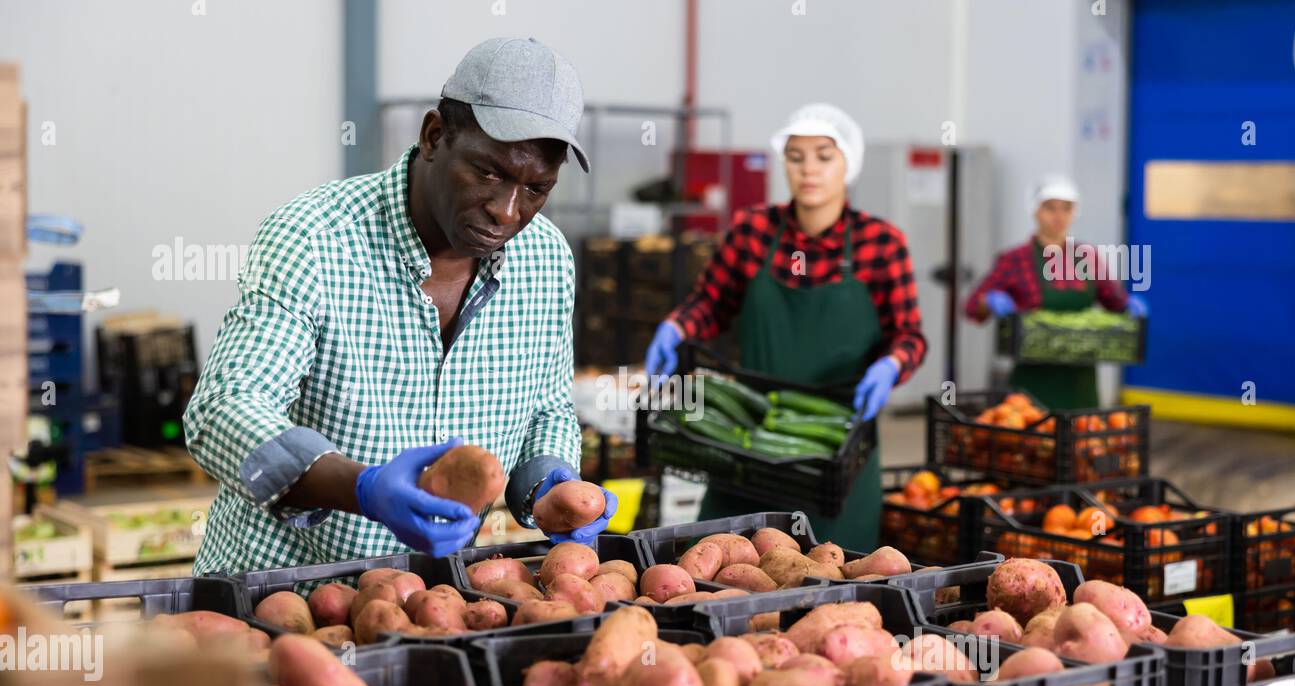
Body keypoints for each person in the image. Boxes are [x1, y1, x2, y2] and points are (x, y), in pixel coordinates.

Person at [184, 38, 615, 576]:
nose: (507, 211)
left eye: (536, 189)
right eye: (488, 173)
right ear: (434, 136)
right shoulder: (314, 238)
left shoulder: (546, 258)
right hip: (279, 594)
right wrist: (360, 488)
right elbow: (224, 408)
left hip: (430, 606)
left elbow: (547, 407)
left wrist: (550, 478)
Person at [643, 103, 926, 550]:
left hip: (838, 450)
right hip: (751, 441)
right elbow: (710, 303)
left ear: (848, 163)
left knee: (835, 584)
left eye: (823, 155)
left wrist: (892, 364)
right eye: (796, 157)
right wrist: (677, 327)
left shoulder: (881, 243)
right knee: (722, 568)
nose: (808, 169)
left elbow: (909, 335)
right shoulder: (753, 230)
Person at [964, 174, 1148, 409]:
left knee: (1080, 439)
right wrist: (988, 302)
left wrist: (1128, 304)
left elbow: (1113, 300)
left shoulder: (1086, 257)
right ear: (1035, 211)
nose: (1058, 216)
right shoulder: (1015, 259)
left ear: (1074, 213)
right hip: (1032, 382)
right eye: (1050, 208)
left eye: (1066, 209)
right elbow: (971, 308)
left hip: (1081, 382)